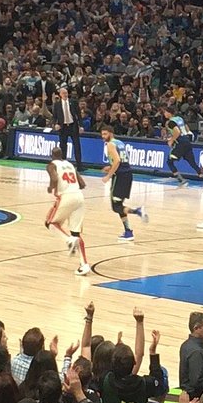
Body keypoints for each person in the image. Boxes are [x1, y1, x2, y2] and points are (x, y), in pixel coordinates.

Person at [46, 146, 91, 275]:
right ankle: (84, 265)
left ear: (51, 156)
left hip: (66, 196)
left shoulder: (51, 165)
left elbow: (54, 179)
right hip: (79, 197)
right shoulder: (70, 164)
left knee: (51, 223)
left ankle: (68, 241)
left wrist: (51, 188)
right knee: (76, 233)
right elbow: (82, 184)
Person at [100, 125, 146, 242]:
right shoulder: (120, 142)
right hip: (127, 174)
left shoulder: (110, 144)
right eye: (102, 134)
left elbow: (118, 160)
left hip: (120, 176)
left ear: (111, 133)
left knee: (116, 207)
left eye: (105, 134)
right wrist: (110, 167)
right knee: (119, 205)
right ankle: (128, 231)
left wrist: (109, 175)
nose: (103, 137)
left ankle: (137, 211)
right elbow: (121, 161)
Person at [164, 110, 202, 182]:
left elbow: (177, 132)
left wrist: (171, 140)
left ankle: (181, 180)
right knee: (192, 163)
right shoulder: (179, 118)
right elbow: (187, 129)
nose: (164, 114)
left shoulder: (171, 122)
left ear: (169, 113)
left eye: (165, 112)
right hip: (187, 141)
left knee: (169, 161)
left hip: (180, 143)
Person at [52, 85, 82, 167]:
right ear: (60, 94)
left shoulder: (73, 102)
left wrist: (81, 126)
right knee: (63, 146)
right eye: (63, 93)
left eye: (66, 93)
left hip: (73, 126)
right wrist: (55, 124)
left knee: (77, 145)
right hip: (63, 127)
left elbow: (79, 115)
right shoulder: (57, 104)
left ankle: (79, 165)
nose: (65, 94)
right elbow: (54, 116)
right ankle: (63, 164)